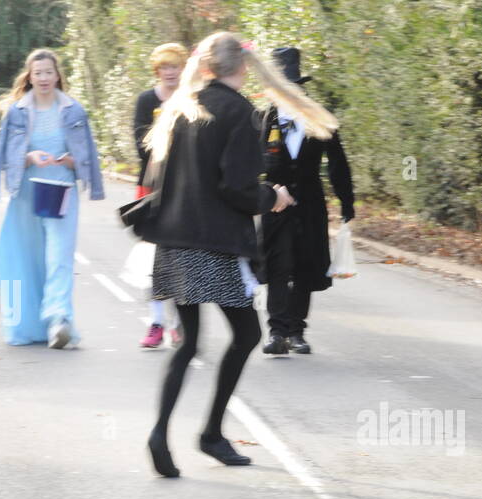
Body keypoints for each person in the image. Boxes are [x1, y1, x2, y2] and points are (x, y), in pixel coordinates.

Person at [139, 32, 337, 476]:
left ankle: (161, 433)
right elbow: (237, 188)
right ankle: (210, 432)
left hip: (174, 242)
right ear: (242, 69)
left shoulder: (182, 108)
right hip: (214, 245)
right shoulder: (240, 112)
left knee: (189, 343)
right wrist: (274, 197)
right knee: (247, 335)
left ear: (206, 66)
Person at [0, 49, 104, 347]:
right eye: (37, 73)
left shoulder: (74, 110)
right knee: (26, 257)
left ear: (57, 75)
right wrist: (27, 157)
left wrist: (71, 162)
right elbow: (4, 157)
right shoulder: (17, 112)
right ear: (29, 76)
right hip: (26, 191)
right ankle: (31, 322)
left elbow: (87, 155)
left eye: (48, 72)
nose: (43, 78)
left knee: (59, 255)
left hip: (61, 190)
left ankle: (58, 319)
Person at [259, 47, 356, 356]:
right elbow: (247, 163)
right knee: (278, 265)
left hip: (310, 202)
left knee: (304, 264)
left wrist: (347, 204)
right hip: (274, 202)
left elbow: (339, 162)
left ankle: (297, 330)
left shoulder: (320, 118)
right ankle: (276, 331)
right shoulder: (262, 118)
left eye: (294, 87)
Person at [134, 42, 185, 350]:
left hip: (184, 189)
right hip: (152, 188)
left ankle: (178, 322)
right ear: (157, 70)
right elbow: (141, 146)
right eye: (164, 67)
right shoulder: (145, 100)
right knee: (153, 259)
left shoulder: (192, 100)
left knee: (180, 256)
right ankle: (156, 322)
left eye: (174, 66)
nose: (169, 72)